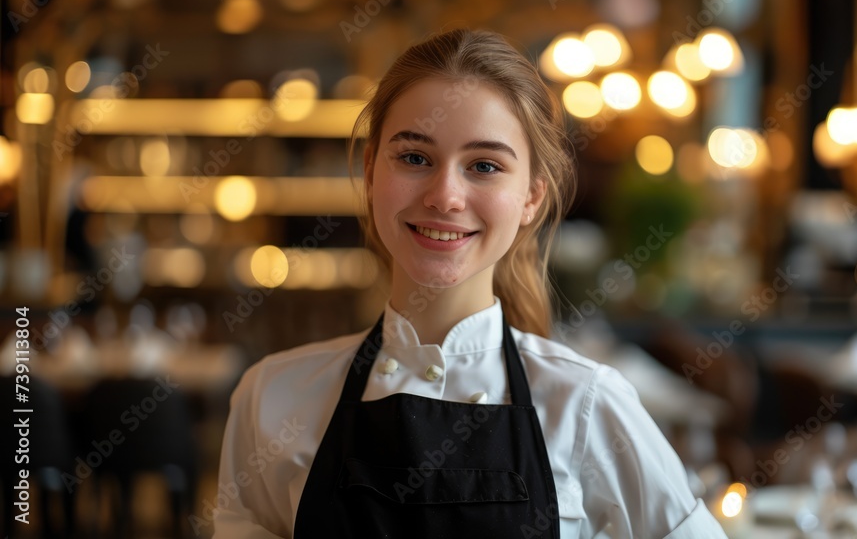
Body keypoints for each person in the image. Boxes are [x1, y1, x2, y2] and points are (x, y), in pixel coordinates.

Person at [213, 29, 727, 538]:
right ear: (371, 172)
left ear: (531, 197)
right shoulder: (271, 398)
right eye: (415, 157)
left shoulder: (587, 404)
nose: (445, 196)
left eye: (484, 166)